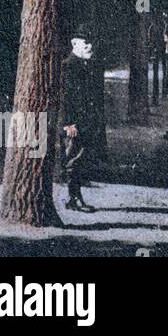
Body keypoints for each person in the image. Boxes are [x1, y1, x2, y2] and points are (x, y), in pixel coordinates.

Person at [61, 24, 98, 213]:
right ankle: (71, 199)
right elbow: (66, 97)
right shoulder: (69, 66)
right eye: (85, 41)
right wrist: (68, 123)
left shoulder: (83, 65)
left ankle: (76, 197)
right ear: (74, 43)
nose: (89, 45)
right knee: (72, 161)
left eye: (90, 41)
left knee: (79, 160)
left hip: (83, 122)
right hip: (73, 124)